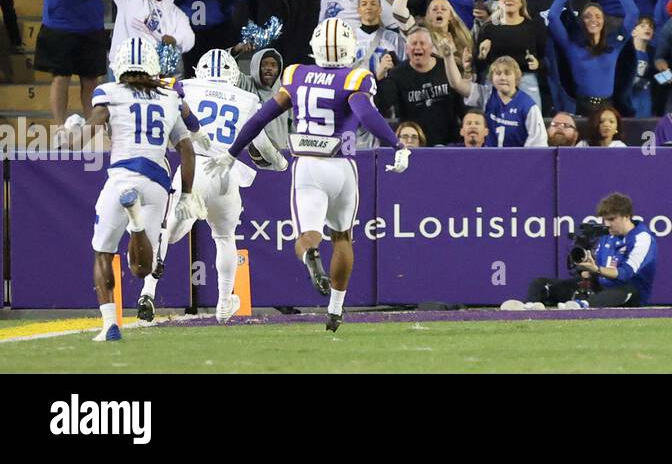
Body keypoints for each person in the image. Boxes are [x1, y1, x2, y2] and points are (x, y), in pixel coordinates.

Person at [207, 18, 410, 333]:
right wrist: (396, 144)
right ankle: (335, 310)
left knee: (306, 237)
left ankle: (311, 256)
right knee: (343, 237)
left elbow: (262, 115)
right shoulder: (356, 78)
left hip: (308, 166)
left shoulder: (296, 74)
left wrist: (233, 152)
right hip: (342, 166)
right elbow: (366, 114)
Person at [60, 37, 200, 343]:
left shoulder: (109, 92)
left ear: (118, 64)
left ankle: (110, 324)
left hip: (122, 177)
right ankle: (136, 223)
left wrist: (70, 134)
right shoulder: (169, 96)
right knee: (143, 268)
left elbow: (85, 136)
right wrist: (187, 195)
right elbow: (188, 149)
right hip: (157, 183)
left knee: (102, 253)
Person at [136, 48, 286, 323]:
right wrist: (280, 164)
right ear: (233, 75)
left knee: (167, 229)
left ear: (200, 70)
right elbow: (263, 145)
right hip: (227, 174)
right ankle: (224, 303)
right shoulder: (248, 98)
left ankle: (148, 291)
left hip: (196, 168)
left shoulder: (184, 88)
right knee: (225, 238)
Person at [510, 192, 657, 310]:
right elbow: (597, 267)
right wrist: (587, 269)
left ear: (627, 216)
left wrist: (597, 269)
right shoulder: (608, 235)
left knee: (625, 290)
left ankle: (583, 306)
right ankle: (528, 308)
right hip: (600, 287)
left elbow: (626, 273)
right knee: (539, 282)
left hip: (629, 293)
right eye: (605, 220)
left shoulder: (642, 238)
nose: (607, 224)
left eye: (612, 219)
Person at [442, 49, 546, 147]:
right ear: (492, 77)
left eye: (507, 73)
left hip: (516, 162)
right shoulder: (487, 95)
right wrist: (448, 57)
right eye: (498, 73)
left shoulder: (528, 107)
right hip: (489, 160)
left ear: (517, 77)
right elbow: (457, 84)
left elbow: (538, 144)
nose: (502, 77)